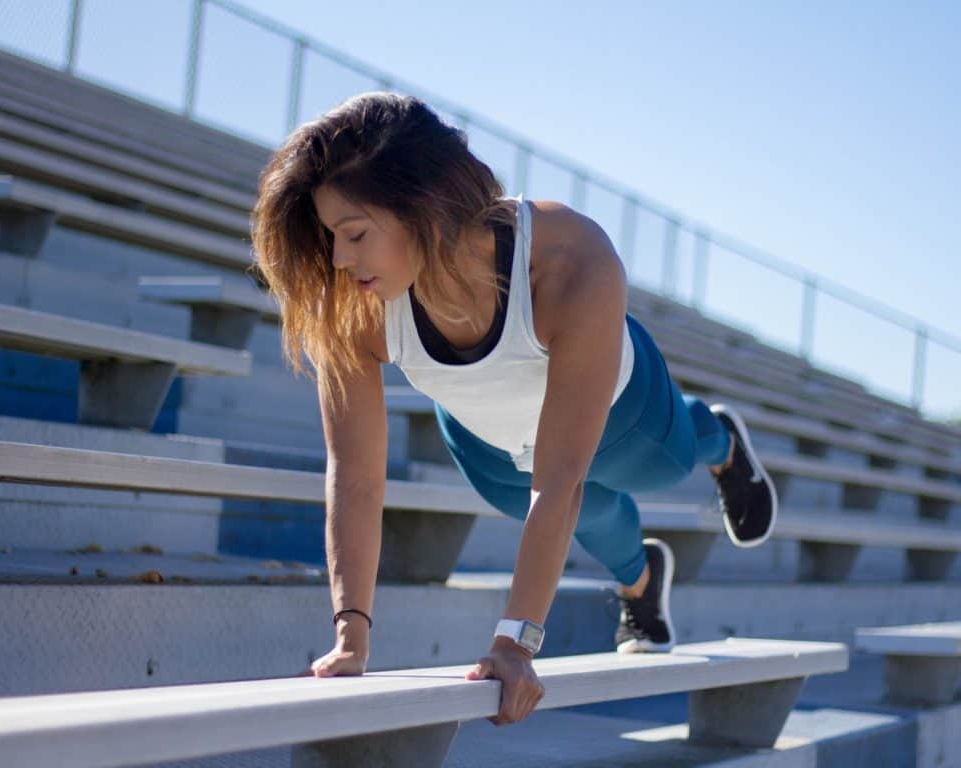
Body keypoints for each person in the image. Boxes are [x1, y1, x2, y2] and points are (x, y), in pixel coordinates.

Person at [250, 91, 778, 727]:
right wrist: (351, 636)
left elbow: (560, 481)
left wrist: (514, 643)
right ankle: (641, 581)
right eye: (331, 236)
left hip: (619, 409)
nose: (338, 258)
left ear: (424, 206)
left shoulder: (569, 259)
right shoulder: (354, 303)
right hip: (487, 437)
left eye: (354, 234)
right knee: (574, 509)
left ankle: (717, 438)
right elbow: (356, 477)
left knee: (651, 472)